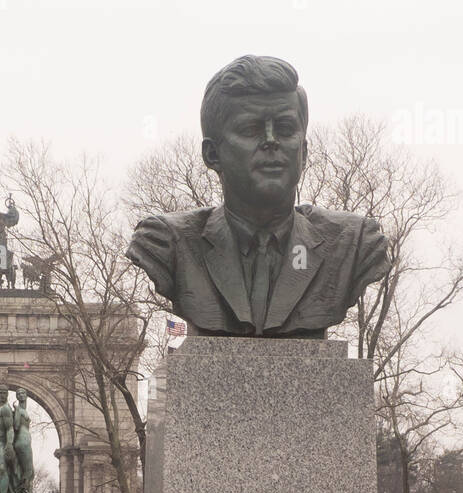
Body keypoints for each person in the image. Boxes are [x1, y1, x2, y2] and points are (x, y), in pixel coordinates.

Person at [126, 55, 390, 337]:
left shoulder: (354, 242)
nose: (271, 141)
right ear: (212, 154)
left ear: (304, 151)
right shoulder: (168, 244)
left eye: (285, 129)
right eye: (251, 129)